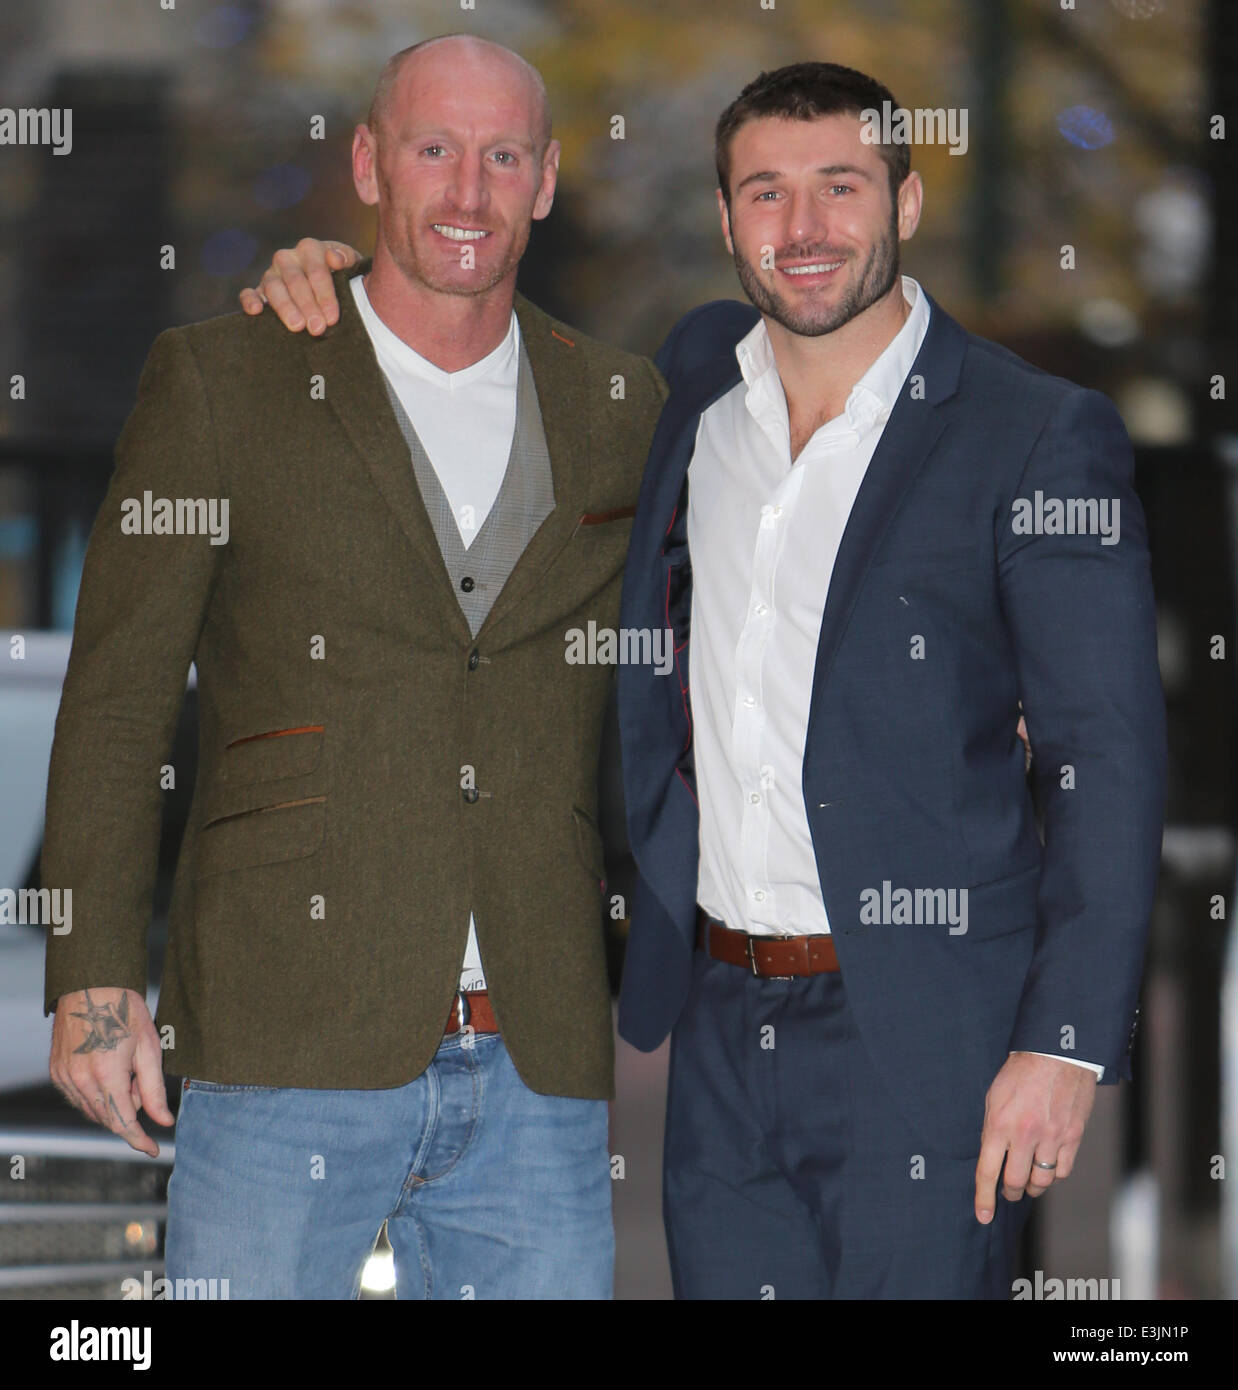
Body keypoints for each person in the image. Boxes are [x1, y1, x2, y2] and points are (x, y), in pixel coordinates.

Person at [245, 60, 1165, 1301]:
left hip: (926, 1034)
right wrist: (335, 272)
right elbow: (479, 352)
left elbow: (1103, 760)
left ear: (903, 203)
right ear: (726, 218)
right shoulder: (683, 391)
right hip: (721, 1032)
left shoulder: (1032, 433)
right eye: (765, 192)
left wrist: (1059, 1045)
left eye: (840, 187)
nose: (802, 229)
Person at [43, 34, 665, 1300]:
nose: (468, 192)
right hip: (283, 1043)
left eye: (502, 156)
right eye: (434, 149)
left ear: (545, 179)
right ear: (370, 164)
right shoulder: (225, 380)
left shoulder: (622, 408)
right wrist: (93, 978)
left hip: (534, 1062)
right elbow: (115, 702)